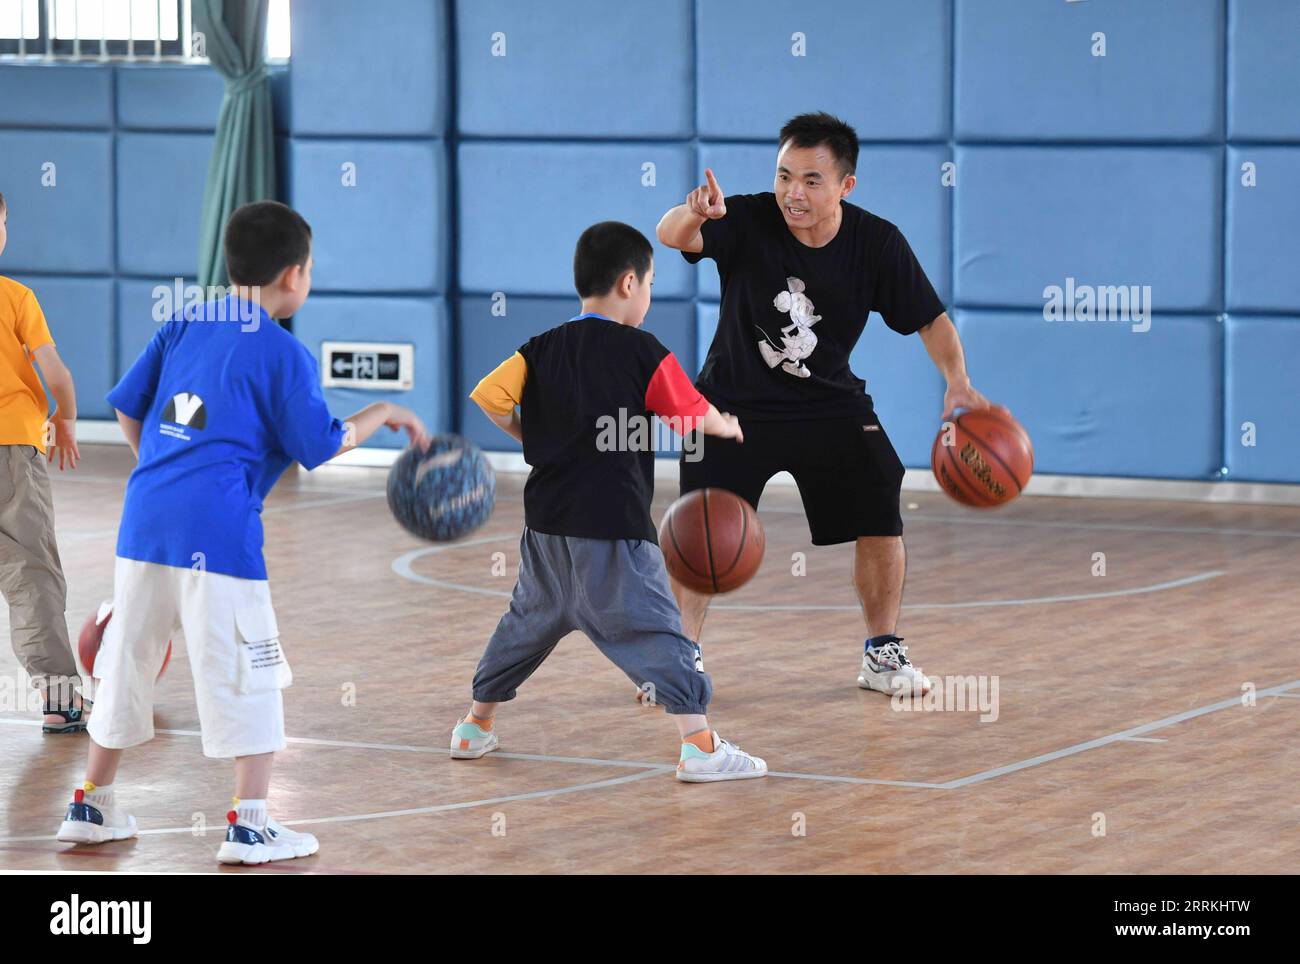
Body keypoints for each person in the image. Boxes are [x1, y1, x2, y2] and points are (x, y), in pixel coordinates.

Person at [56, 201, 430, 863]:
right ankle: (250, 823)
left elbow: (126, 406)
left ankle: (90, 802)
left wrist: (163, 474)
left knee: (123, 664)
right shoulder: (284, 355)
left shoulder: (185, 322)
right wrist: (385, 411)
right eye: (310, 271)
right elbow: (321, 445)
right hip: (220, 539)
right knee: (247, 673)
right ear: (293, 276)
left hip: (143, 523)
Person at [655, 111, 997, 696]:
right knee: (703, 529)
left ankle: (882, 654)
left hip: (828, 405)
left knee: (881, 492)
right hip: (732, 406)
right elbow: (671, 235)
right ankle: (677, 657)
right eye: (784, 175)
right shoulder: (749, 216)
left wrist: (958, 381)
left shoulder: (876, 242)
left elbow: (930, 319)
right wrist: (695, 212)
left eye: (812, 180)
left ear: (845, 186)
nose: (793, 192)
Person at [454, 220, 766, 782]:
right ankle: (699, 747)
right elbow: (688, 410)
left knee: (525, 625)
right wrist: (726, 426)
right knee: (658, 631)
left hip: (546, 528)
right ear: (628, 283)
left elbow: (489, 396)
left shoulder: (540, 347)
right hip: (614, 529)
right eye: (649, 284)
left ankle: (475, 725)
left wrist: (532, 435)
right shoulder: (642, 351)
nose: (648, 296)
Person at [0, 190, 87, 734]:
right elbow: (56, 374)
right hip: (13, 450)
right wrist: (69, 419)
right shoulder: (16, 298)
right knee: (32, 574)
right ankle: (60, 701)